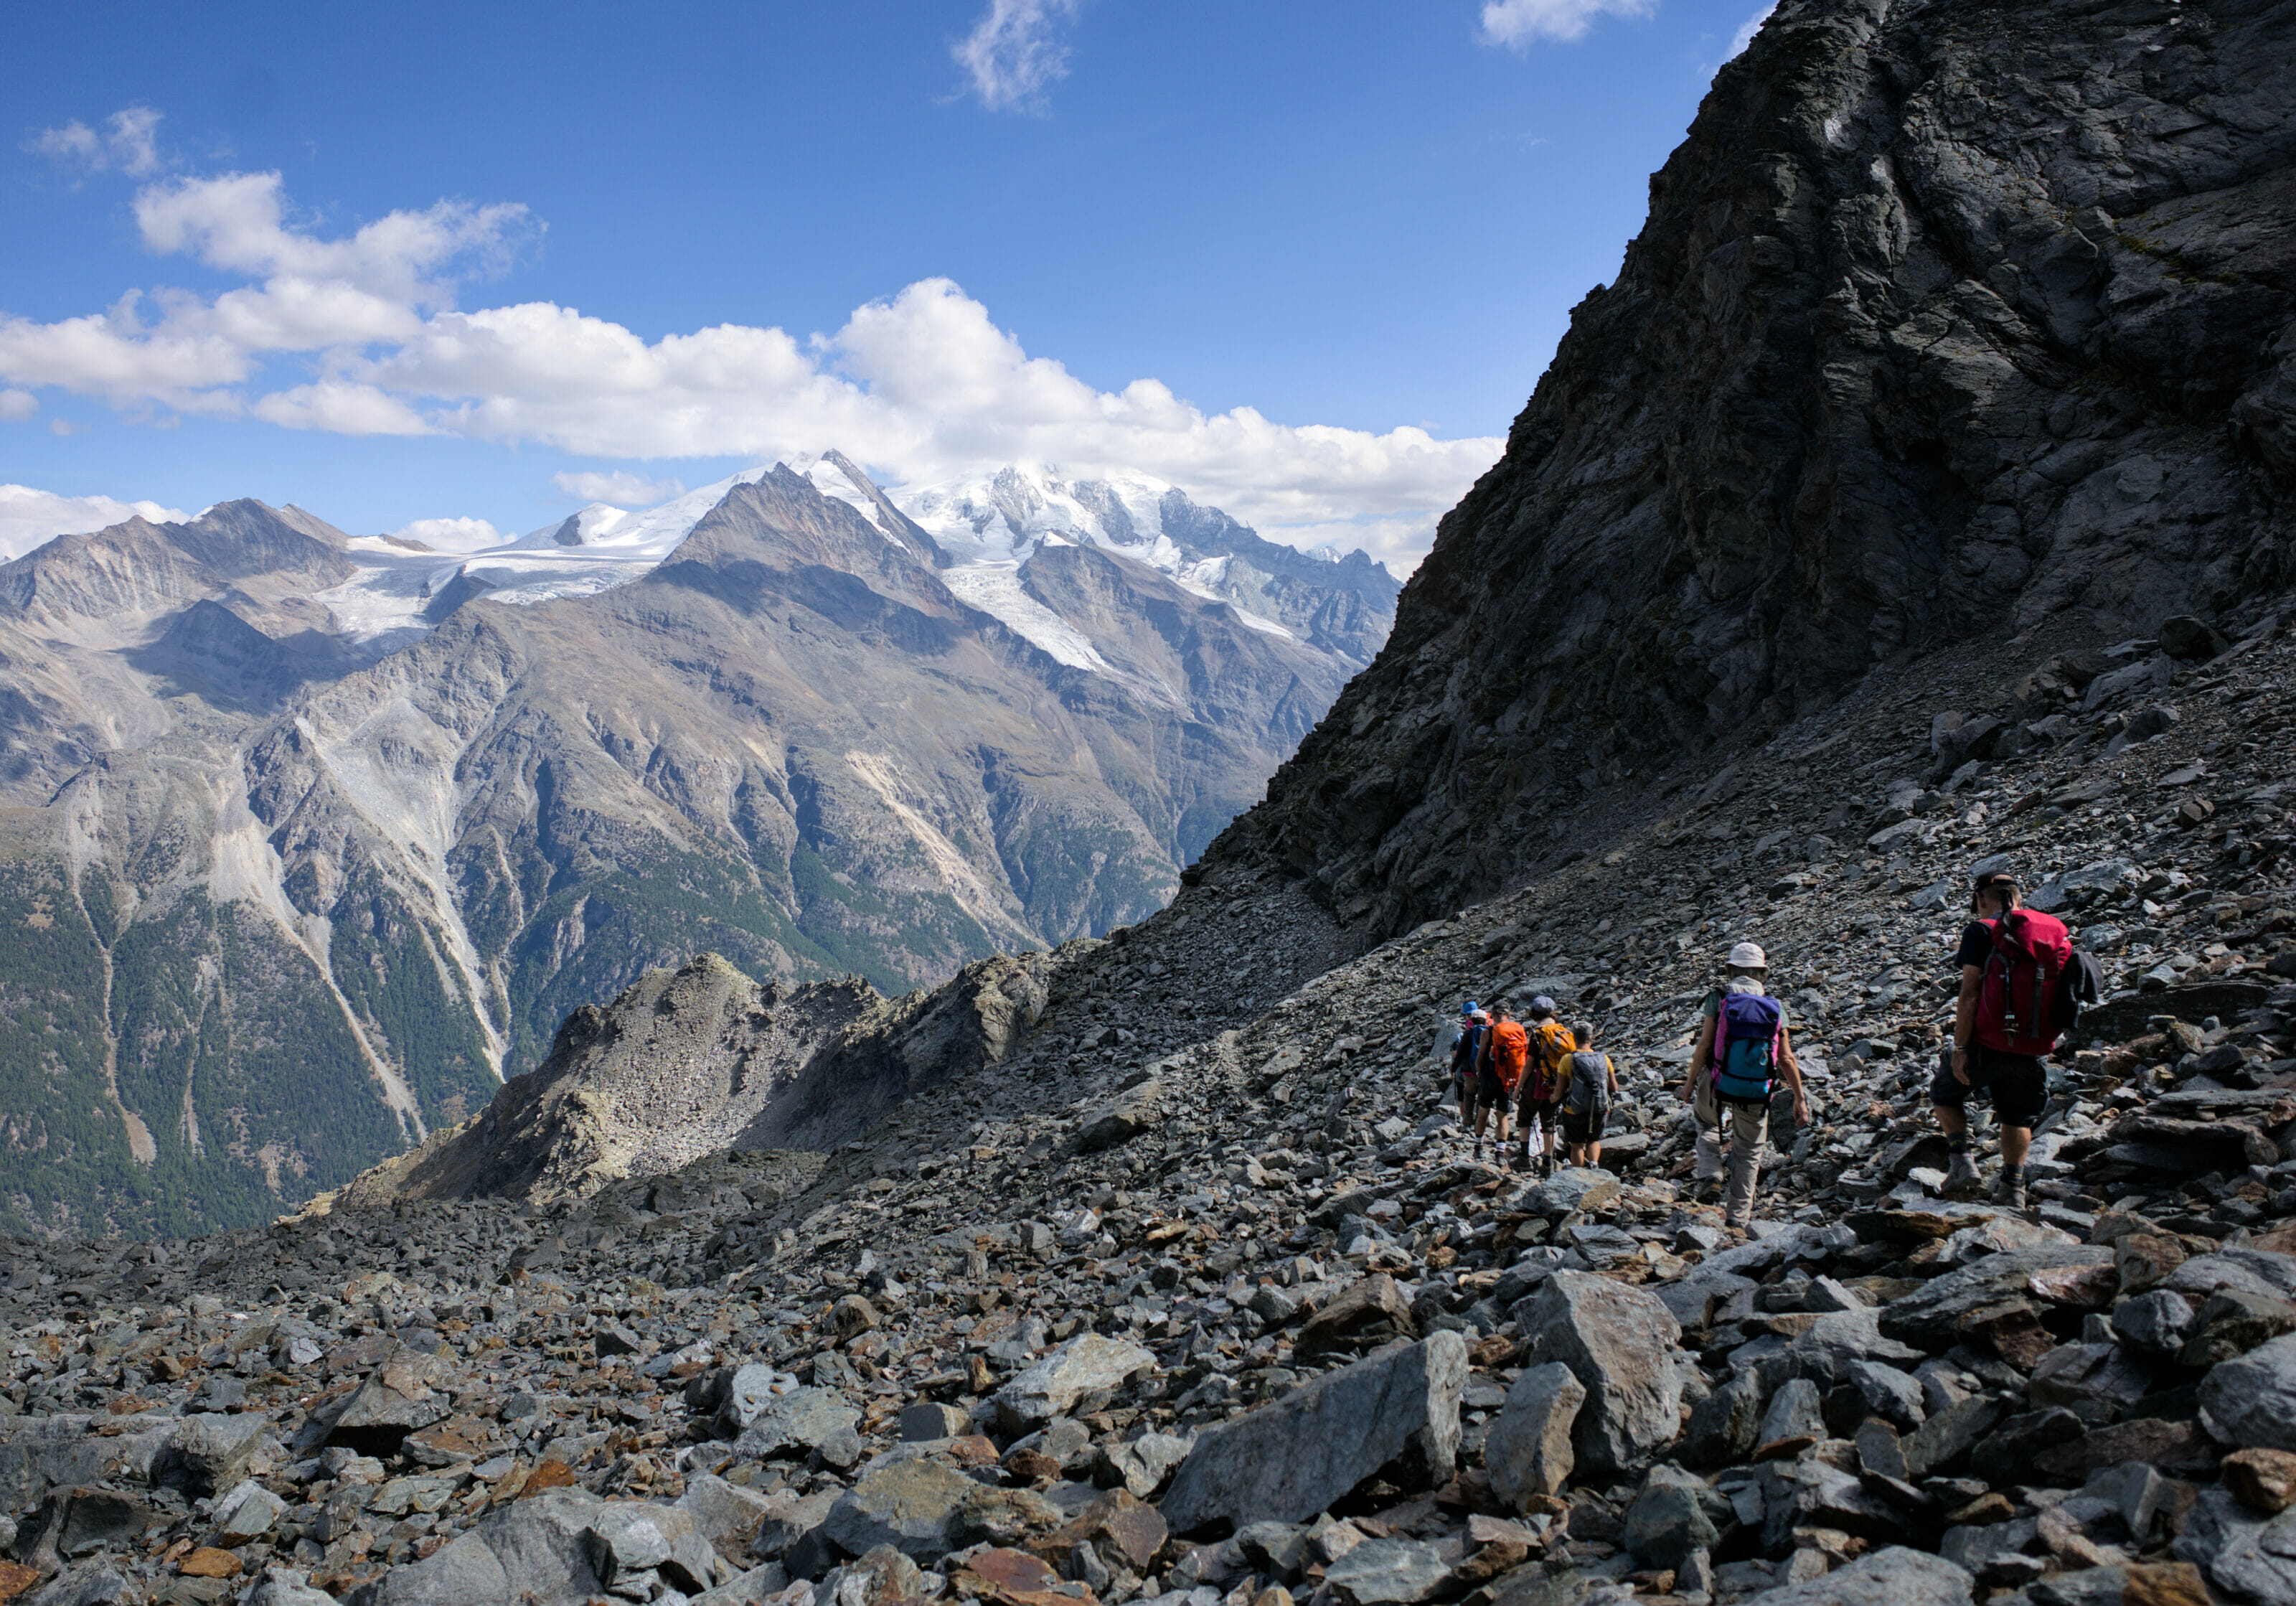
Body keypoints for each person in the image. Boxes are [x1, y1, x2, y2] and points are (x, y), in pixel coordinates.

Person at [1937, 870, 2063, 1211]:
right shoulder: (2050, 929)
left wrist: (1960, 1049)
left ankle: (1962, 1161)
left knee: (1944, 1093)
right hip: (2033, 1044)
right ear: (2020, 897)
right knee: (2017, 1116)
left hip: (1988, 1042)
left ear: (1980, 899)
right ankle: (2013, 1188)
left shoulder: (1980, 930)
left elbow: (1970, 994)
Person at [1679, 941, 1811, 1231]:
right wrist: (1800, 1098)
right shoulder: (1775, 1007)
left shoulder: (1719, 997)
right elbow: (1786, 1058)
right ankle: (1738, 1219)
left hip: (1716, 1079)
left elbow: (1704, 1045)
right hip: (1756, 1089)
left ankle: (1712, 1174)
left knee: (1706, 1122)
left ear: (1731, 969)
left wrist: (1689, 1084)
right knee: (1749, 1150)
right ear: (1762, 972)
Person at [1517, 996, 1574, 1176]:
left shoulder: (1538, 1034)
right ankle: (1548, 1162)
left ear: (1534, 1013)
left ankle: (1524, 1159)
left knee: (1525, 1116)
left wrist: (1518, 1089)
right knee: (1549, 1121)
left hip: (1538, 1082)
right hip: (1558, 1084)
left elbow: (1529, 1065)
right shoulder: (1564, 1032)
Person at [1472, 1000, 1528, 1162]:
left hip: (1489, 1077)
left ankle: (1478, 1148)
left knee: (1483, 1112)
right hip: (1509, 1079)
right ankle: (1500, 1154)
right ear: (1509, 1015)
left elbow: (1480, 1056)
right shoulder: (1518, 1030)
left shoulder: (1489, 1032)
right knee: (1502, 1116)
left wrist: (1480, 1073)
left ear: (1493, 1015)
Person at [1561, 1020, 1618, 1168]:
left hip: (1573, 1110)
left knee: (1576, 1145)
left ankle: (1579, 1173)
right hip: (1599, 1107)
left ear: (1574, 1038)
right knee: (1594, 1140)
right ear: (1591, 1038)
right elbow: (1614, 1087)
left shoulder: (1568, 1059)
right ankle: (1594, 1165)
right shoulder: (1604, 1058)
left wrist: (1553, 1099)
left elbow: (1560, 1089)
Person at [1449, 1002, 1487, 1133]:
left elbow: (1460, 1054)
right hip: (1485, 1071)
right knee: (1481, 1096)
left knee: (1469, 1095)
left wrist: (1454, 1068)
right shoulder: (1490, 1032)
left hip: (1469, 1071)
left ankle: (1466, 1123)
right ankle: (1480, 1123)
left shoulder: (1468, 1033)